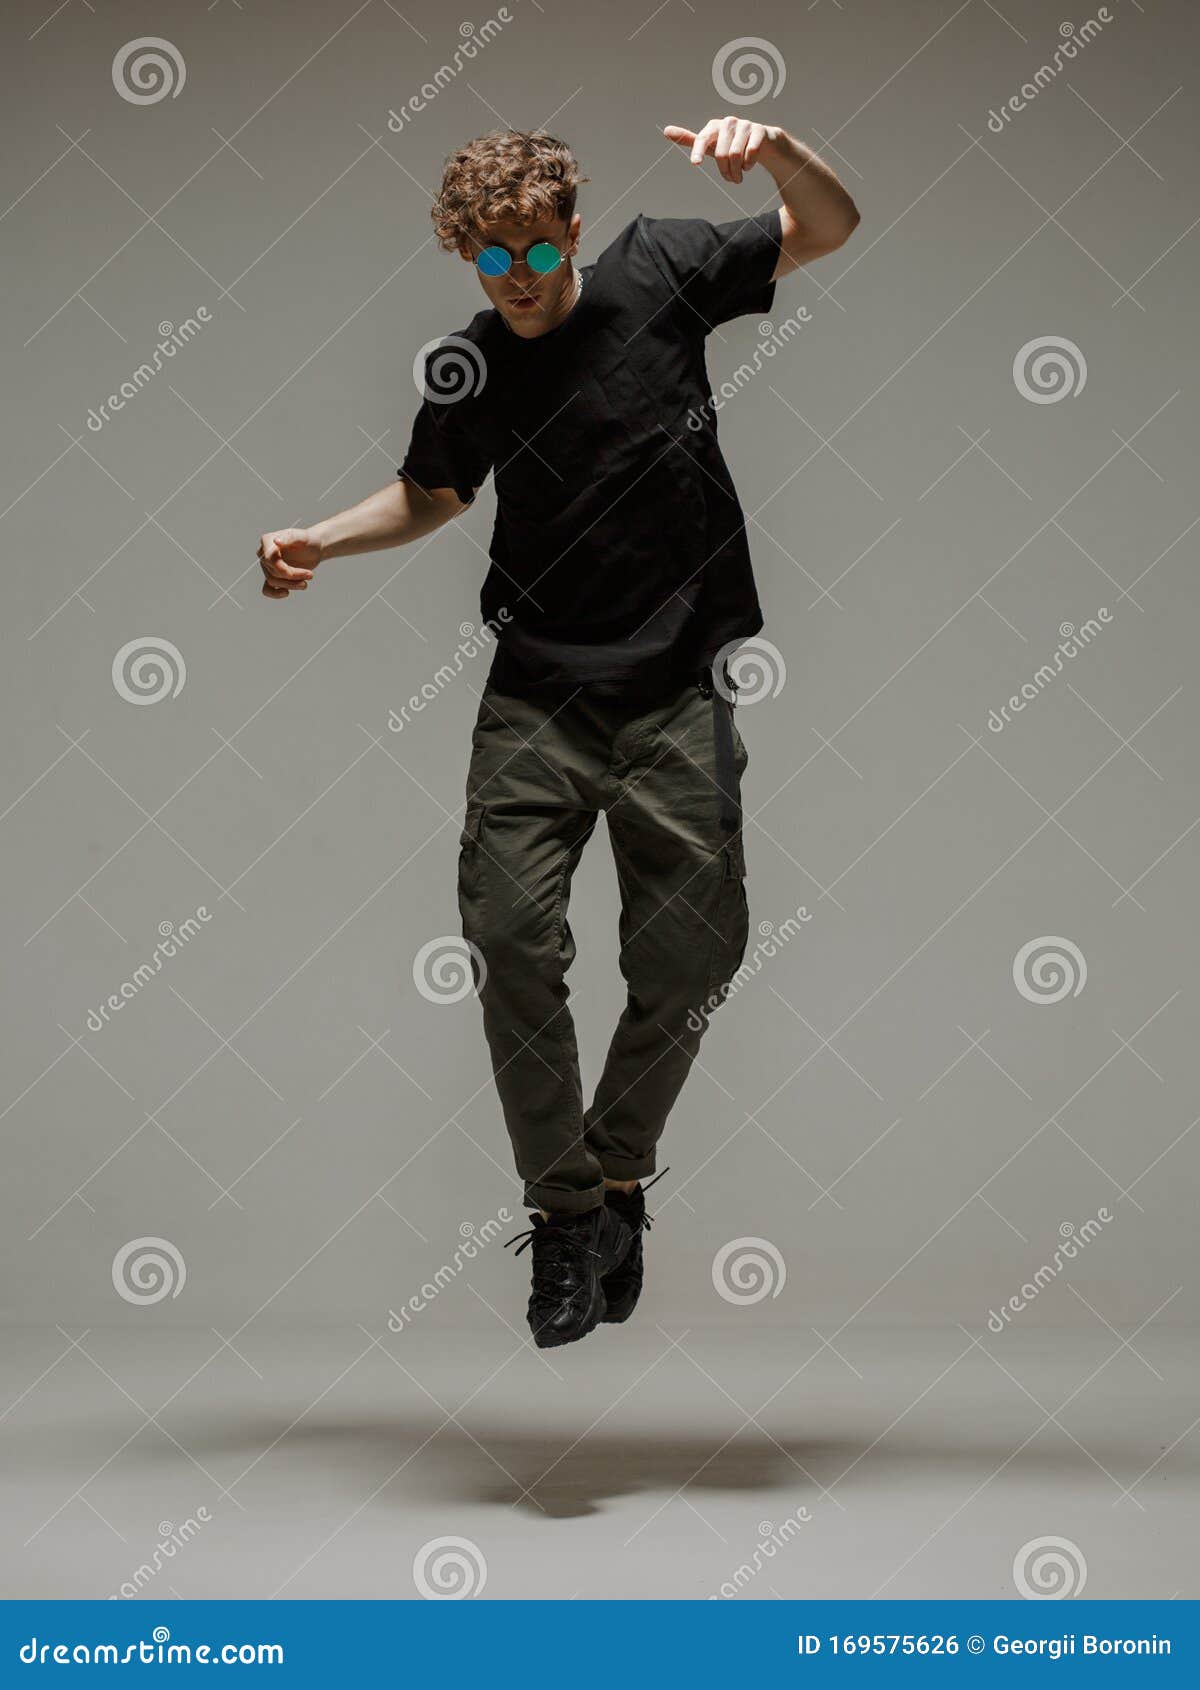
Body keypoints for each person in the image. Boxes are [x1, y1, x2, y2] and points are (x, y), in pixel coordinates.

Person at [257, 119, 859, 1349]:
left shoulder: (664, 271)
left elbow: (829, 227)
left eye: (535, 248)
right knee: (507, 937)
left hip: (677, 693)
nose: (518, 276)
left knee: (693, 958)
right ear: (466, 259)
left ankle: (620, 1170)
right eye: (491, 259)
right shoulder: (468, 367)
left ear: (574, 233)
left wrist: (782, 147)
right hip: (536, 699)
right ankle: (568, 1214)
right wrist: (324, 535)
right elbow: (431, 494)